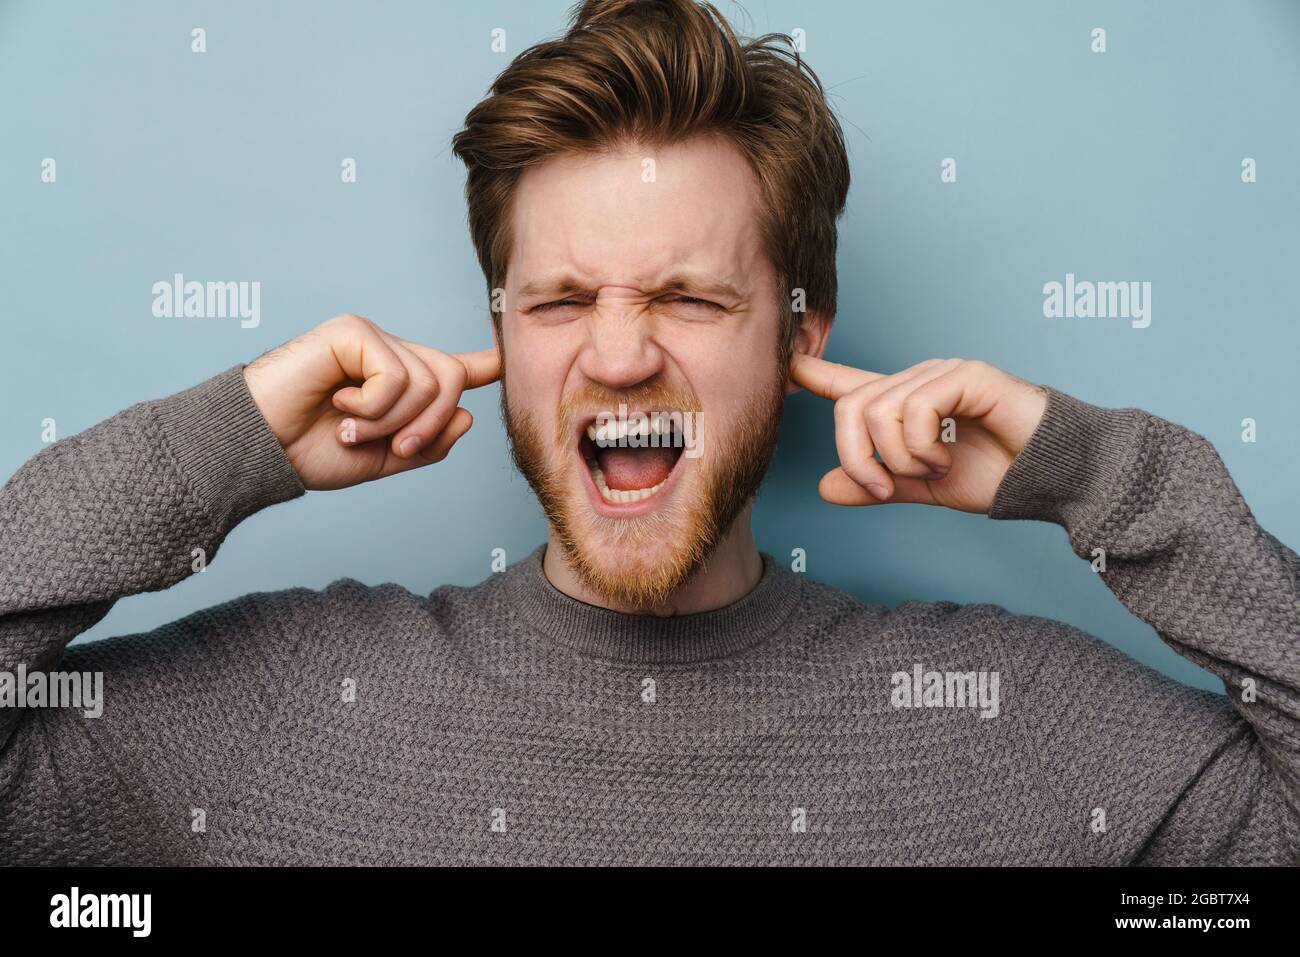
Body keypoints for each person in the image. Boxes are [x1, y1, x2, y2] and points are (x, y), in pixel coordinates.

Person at [1, 0, 1295, 865]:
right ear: (499, 342)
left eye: (688, 296)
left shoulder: (1010, 721)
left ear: (800, 336)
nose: (619, 358)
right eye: (560, 302)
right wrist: (215, 448)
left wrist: (1099, 474)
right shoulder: (284, 705)